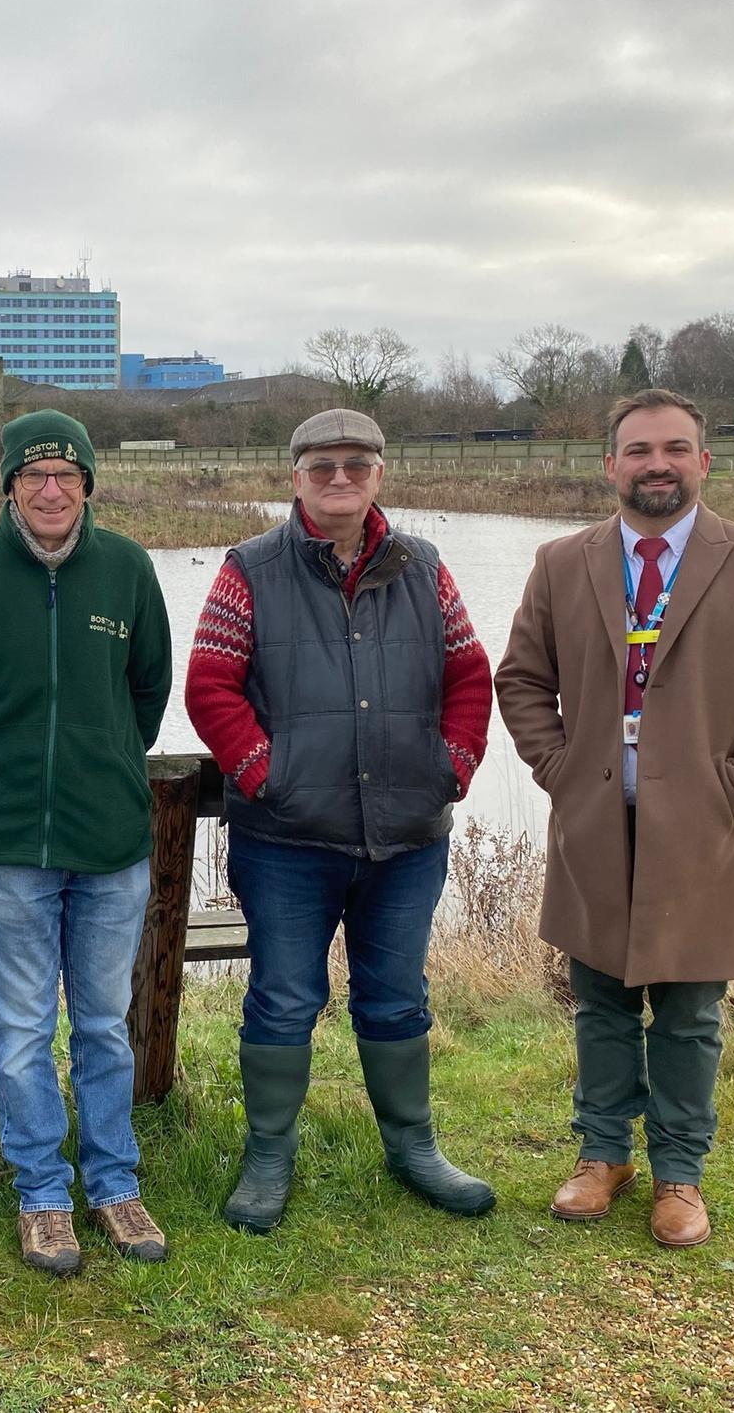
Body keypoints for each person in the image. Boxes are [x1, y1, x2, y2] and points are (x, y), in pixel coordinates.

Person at [495, 388, 734, 1247]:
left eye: (675, 449)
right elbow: (523, 681)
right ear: (609, 465)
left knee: (689, 1011)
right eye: (640, 450)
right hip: (596, 823)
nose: (657, 465)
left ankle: (680, 1174)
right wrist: (562, 770)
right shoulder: (561, 562)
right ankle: (603, 1154)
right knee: (600, 1002)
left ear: (704, 462)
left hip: (702, 831)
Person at [186, 408, 496, 1233]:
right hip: (286, 839)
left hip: (406, 838)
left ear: (379, 475)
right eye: (322, 466)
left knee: (396, 999)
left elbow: (469, 673)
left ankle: (414, 1147)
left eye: (356, 465)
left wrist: (453, 764)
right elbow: (210, 686)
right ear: (295, 477)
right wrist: (264, 774)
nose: (340, 479)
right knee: (284, 999)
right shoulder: (249, 569)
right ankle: (268, 1157)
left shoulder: (425, 569)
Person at [0, 409, 173, 1275]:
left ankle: (113, 1184)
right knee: (23, 1030)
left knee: (104, 1025)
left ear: (90, 483)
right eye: (34, 476)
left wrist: (98, 764)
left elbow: (147, 694)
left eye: (67, 473)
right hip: (5, 847)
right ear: (9, 487)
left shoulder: (129, 570)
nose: (52, 489)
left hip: (110, 841)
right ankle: (41, 1195)